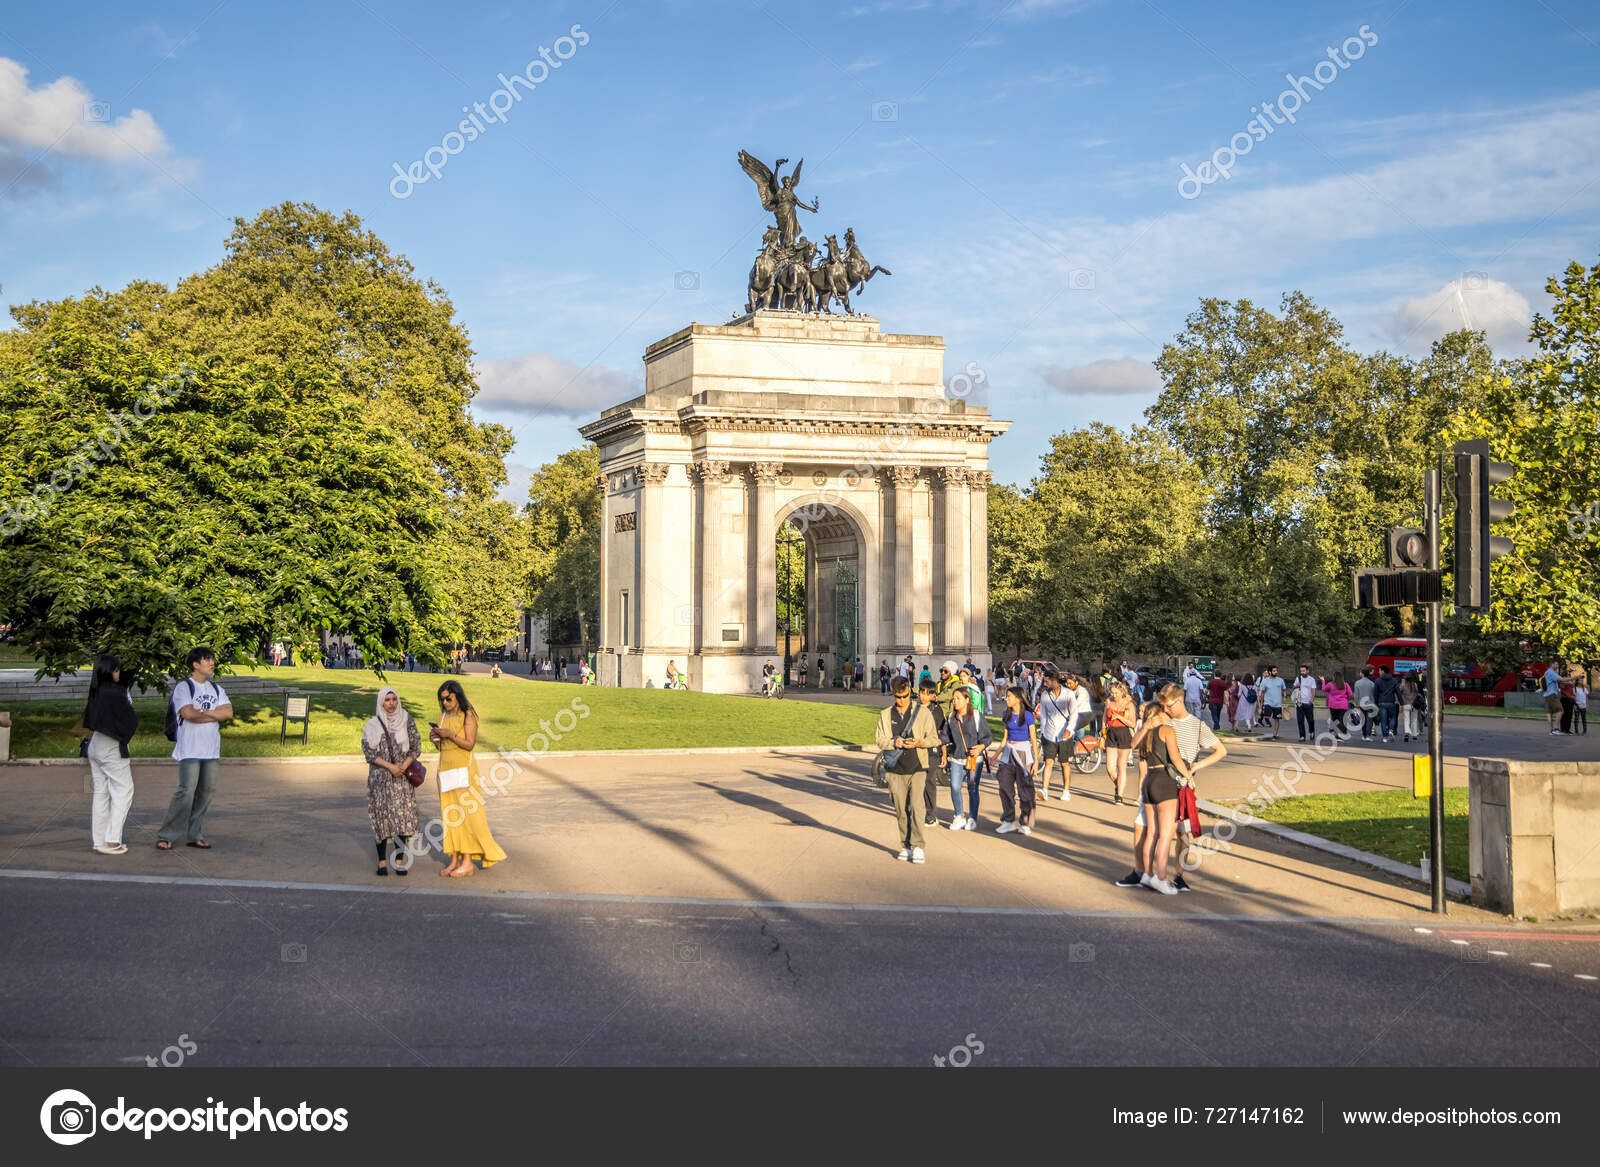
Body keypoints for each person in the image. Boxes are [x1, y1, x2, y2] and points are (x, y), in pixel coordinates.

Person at [156, 647, 233, 852]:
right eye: (207, 660)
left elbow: (228, 712)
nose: (212, 663)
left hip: (211, 750)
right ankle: (167, 835)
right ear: (195, 664)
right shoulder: (184, 687)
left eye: (212, 659)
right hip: (190, 749)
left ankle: (195, 834)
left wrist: (204, 713)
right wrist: (213, 713)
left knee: (206, 792)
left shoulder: (216, 689)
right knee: (186, 792)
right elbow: (188, 714)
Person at [430, 681, 507, 877]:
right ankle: (454, 860)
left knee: (466, 815)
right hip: (445, 769)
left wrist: (450, 734)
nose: (445, 703)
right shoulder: (442, 717)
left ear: (457, 696)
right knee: (450, 816)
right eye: (442, 700)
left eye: (448, 698)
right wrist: (436, 740)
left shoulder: (468, 716)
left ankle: (467, 862)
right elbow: (443, 748)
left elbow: (469, 744)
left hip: (464, 769)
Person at [1126, 702, 1192, 895]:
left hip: (1149, 781)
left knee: (1152, 834)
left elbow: (1132, 745)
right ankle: (1161, 878)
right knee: (1165, 835)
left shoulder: (1146, 733)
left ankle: (1147, 874)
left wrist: (1146, 725)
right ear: (1159, 714)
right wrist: (1188, 776)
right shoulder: (1167, 731)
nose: (1168, 714)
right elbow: (1175, 758)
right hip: (1165, 782)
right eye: (1165, 712)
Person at [876, 676, 939, 863]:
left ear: (909, 692)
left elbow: (934, 738)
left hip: (917, 766)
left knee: (917, 806)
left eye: (905, 696)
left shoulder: (923, 713)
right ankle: (905, 845)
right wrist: (893, 743)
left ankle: (918, 845)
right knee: (901, 809)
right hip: (895, 769)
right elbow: (879, 740)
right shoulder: (885, 715)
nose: (902, 700)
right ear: (893, 694)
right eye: (898, 697)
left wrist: (920, 743)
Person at [79, 654, 137, 855]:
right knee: (124, 790)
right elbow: (129, 720)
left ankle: (99, 840)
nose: (119, 672)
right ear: (110, 671)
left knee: (100, 793)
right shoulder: (116, 692)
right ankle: (112, 839)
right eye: (117, 669)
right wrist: (124, 735)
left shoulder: (96, 690)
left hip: (95, 743)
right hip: (111, 744)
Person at [362, 686, 421, 876]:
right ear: (381, 702)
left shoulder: (406, 719)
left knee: (402, 820)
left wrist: (403, 766)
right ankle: (381, 862)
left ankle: (399, 860)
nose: (391, 703)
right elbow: (369, 753)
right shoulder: (372, 725)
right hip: (380, 779)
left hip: (402, 779)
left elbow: (416, 746)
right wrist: (391, 767)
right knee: (382, 819)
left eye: (394, 699)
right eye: (387, 700)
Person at [991, 686, 1040, 837]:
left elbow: (1033, 739)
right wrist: (995, 755)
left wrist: (1036, 762)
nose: (1006, 699)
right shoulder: (1006, 714)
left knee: (1025, 789)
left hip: (1023, 753)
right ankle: (1008, 820)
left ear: (1018, 698)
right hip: (1008, 753)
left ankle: (1025, 822)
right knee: (1004, 785)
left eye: (1009, 696)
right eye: (1006, 696)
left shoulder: (1028, 716)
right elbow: (1005, 738)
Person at [941, 686, 991, 831]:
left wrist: (981, 747)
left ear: (967, 700)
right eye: (954, 699)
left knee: (972, 788)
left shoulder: (976, 716)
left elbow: (987, 737)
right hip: (957, 758)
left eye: (958, 698)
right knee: (955, 787)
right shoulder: (951, 717)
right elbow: (945, 737)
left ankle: (973, 818)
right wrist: (936, 741)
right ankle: (959, 815)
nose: (955, 701)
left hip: (974, 760)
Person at [1034, 669, 1074, 802]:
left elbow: (1074, 713)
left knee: (1064, 763)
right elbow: (1043, 715)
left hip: (1064, 734)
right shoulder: (1045, 695)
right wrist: (1043, 731)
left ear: (1054, 681)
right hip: (1049, 734)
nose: (1044, 684)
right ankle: (1044, 790)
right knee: (1048, 762)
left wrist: (1069, 729)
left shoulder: (1068, 694)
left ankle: (1066, 790)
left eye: (1047, 681)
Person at [917, 678, 947, 828]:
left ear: (933, 695)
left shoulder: (937, 711)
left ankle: (931, 815)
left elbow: (942, 734)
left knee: (929, 783)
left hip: (932, 752)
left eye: (927, 694)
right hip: (916, 750)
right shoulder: (914, 709)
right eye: (922, 692)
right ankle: (918, 810)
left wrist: (944, 754)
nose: (924, 696)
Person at [1103, 679, 1137, 805]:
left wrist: (1119, 717)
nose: (1113, 695)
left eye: (1116, 693)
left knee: (1121, 766)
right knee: (1110, 768)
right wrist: (1102, 731)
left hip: (1124, 734)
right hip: (1111, 734)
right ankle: (1119, 785)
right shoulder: (1109, 702)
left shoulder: (1129, 705)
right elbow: (1104, 718)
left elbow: (1132, 723)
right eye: (1112, 693)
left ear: (1122, 692)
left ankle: (1120, 795)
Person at [1256, 666, 1286, 740]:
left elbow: (1284, 689)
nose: (1276, 672)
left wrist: (1284, 698)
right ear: (1270, 672)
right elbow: (1262, 693)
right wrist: (1260, 704)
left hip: (1278, 704)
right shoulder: (1265, 681)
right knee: (1266, 716)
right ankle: (1262, 719)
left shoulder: (1280, 680)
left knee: (1276, 719)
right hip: (1268, 703)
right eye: (1274, 671)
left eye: (1276, 671)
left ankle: (1275, 734)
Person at [1292, 666, 1320, 742]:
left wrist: (1312, 699)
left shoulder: (1311, 679)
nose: (1302, 672)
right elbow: (1293, 687)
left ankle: (1311, 732)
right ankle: (1302, 736)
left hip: (1308, 703)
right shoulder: (1298, 678)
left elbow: (1313, 690)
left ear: (1307, 671)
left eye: (1303, 671)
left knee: (1310, 720)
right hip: (1299, 703)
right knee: (1300, 721)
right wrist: (1296, 686)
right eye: (1301, 671)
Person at [1373, 665, 1401, 743]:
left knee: (1383, 720)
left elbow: (1375, 693)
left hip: (1381, 702)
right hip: (1391, 701)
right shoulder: (1394, 680)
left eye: (1379, 670)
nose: (1378, 672)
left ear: (1383, 671)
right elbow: (1398, 692)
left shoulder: (1378, 680)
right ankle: (1391, 730)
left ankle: (1385, 737)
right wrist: (1401, 703)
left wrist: (1375, 703)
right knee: (1393, 717)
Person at [1325, 672, 1354, 740]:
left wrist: (1323, 681)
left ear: (1334, 677)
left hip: (1333, 704)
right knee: (1341, 720)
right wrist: (1346, 699)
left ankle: (1333, 733)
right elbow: (1350, 695)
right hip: (1343, 705)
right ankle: (1341, 735)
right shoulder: (1345, 684)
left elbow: (1324, 689)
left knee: (1334, 719)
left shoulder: (1330, 684)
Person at [1353, 666, 1378, 741]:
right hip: (1370, 703)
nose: (1360, 673)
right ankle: (1368, 735)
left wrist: (1356, 704)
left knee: (1363, 719)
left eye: (1360, 672)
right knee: (1369, 720)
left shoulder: (1357, 683)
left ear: (1363, 674)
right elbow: (1374, 694)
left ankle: (1364, 734)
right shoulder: (1372, 683)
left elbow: (1356, 695)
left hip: (1361, 703)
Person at [1542, 661, 1563, 733]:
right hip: (1552, 694)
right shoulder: (1551, 672)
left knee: (1549, 713)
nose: (1557, 666)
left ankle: (1551, 730)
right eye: (1556, 664)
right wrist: (1573, 678)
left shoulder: (1546, 672)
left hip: (1546, 694)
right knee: (1560, 710)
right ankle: (1556, 729)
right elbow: (1561, 679)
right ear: (1552, 664)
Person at [1398, 674, 1420, 742]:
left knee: (1406, 719)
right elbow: (1417, 693)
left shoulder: (1403, 685)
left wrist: (1400, 703)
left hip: (1406, 704)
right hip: (1414, 704)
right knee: (1414, 719)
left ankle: (1406, 732)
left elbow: (1399, 693)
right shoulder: (1415, 685)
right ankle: (1414, 734)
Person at [1558, 664, 1577, 736]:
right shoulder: (1561, 680)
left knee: (1569, 715)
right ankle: (1563, 729)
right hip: (1564, 698)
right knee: (1564, 714)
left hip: (1570, 698)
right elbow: (1561, 685)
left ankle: (1567, 729)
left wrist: (1571, 681)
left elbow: (1573, 684)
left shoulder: (1570, 680)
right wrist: (1568, 682)